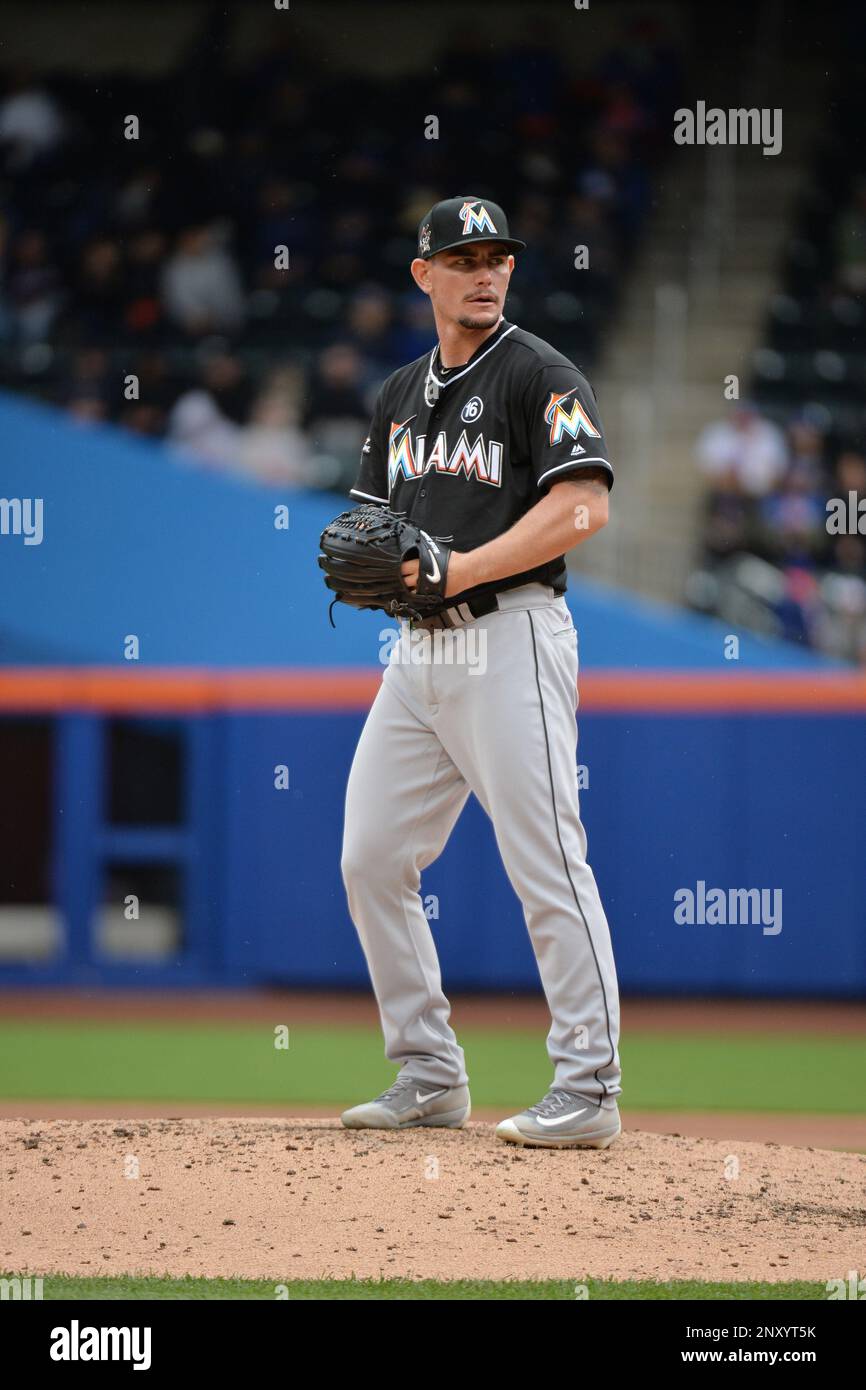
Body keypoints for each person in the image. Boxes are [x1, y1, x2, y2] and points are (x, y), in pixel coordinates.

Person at [338, 196, 622, 1149]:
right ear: (425, 275)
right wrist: (390, 581)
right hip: (419, 655)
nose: (485, 271)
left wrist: (455, 568)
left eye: (497, 255)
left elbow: (583, 509)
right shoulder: (396, 396)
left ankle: (588, 1085)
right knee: (372, 857)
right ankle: (428, 1072)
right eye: (463, 257)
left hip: (512, 636)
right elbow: (370, 536)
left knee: (545, 860)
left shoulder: (539, 373)